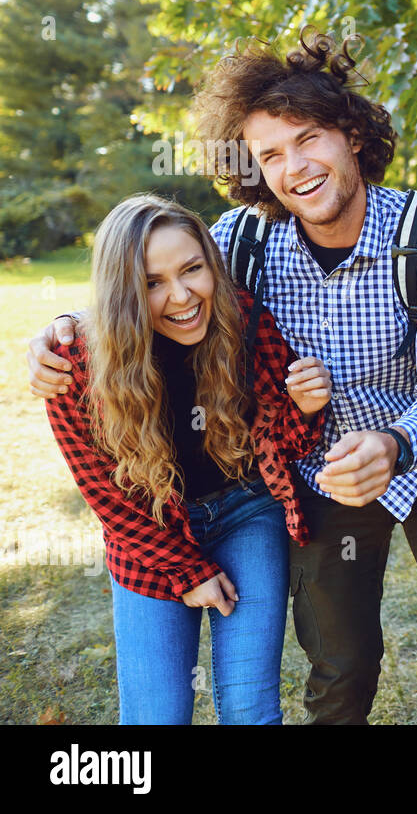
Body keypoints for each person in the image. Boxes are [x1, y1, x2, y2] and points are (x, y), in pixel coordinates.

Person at [29, 31, 417, 725]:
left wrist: (390, 445)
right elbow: (148, 278)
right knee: (339, 662)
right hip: (316, 463)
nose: (294, 167)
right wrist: (61, 331)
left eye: (309, 139)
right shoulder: (240, 241)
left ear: (352, 135)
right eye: (271, 154)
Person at [44, 195, 329, 724]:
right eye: (152, 283)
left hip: (246, 512)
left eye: (192, 269)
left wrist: (306, 409)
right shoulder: (74, 365)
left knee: (250, 709)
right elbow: (107, 496)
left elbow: (279, 444)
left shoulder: (242, 322)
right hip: (148, 538)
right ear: (123, 292)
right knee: (157, 717)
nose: (182, 296)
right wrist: (187, 569)